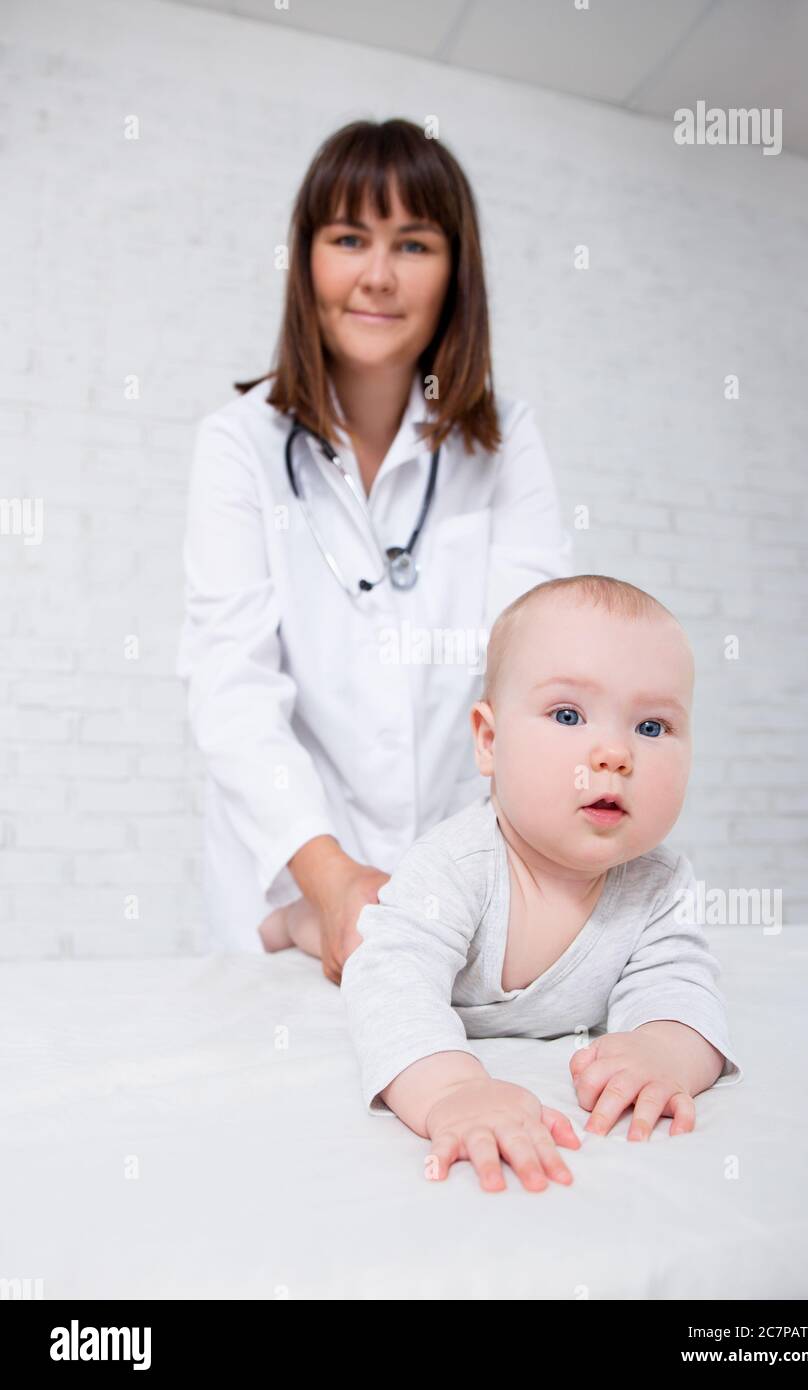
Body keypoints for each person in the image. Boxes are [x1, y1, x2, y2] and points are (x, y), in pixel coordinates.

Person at [176, 119, 572, 976]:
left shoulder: (504, 443)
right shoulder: (240, 444)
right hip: (288, 894)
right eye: (349, 238)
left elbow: (539, 672)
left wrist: (516, 880)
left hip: (464, 887)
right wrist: (332, 884)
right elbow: (231, 683)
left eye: (415, 243)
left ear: (454, 272)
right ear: (307, 258)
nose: (379, 276)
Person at [340, 575, 744, 1192]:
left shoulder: (657, 885)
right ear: (491, 741)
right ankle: (298, 917)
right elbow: (393, 984)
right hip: (390, 915)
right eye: (568, 714)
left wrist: (666, 1050)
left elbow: (680, 983)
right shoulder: (455, 866)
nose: (613, 754)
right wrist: (453, 1089)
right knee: (354, 936)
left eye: (653, 727)